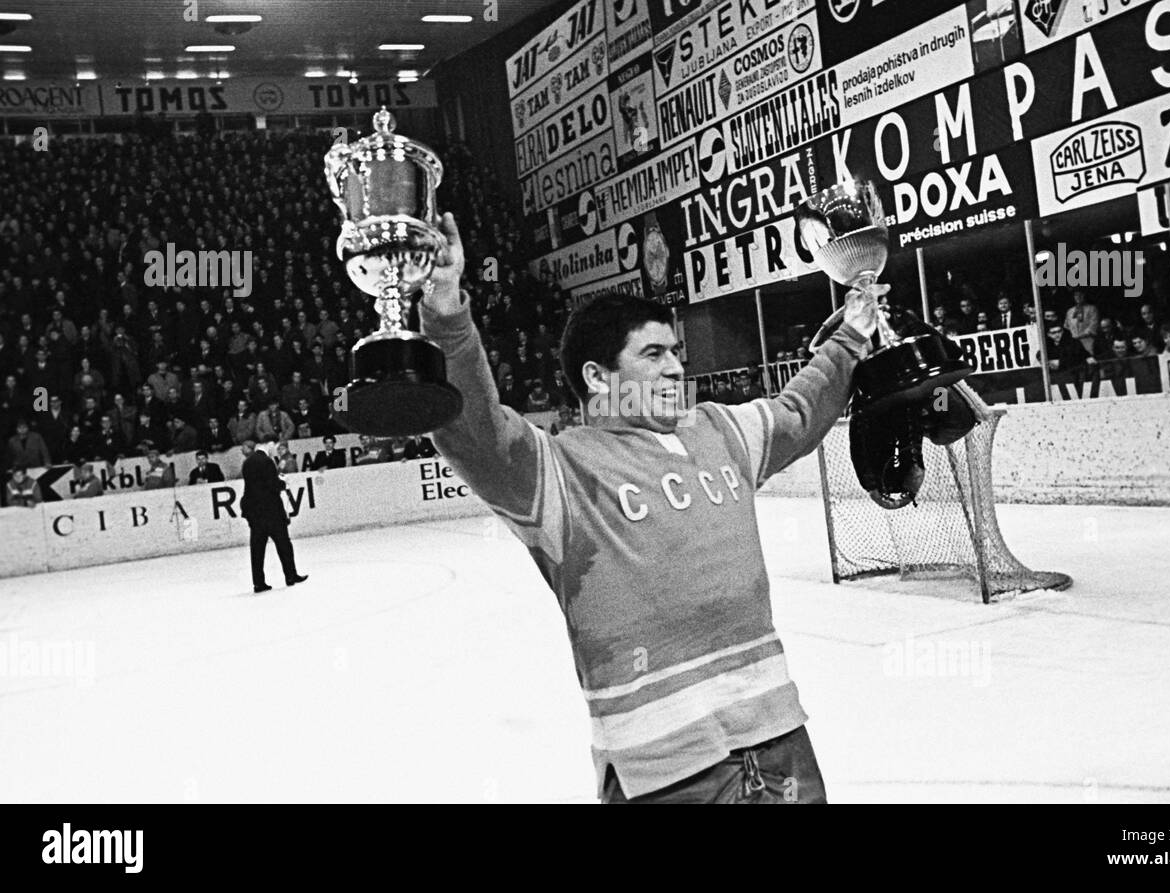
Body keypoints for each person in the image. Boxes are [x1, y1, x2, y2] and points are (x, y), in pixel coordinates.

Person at [416, 212, 888, 804]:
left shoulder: (716, 428)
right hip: (663, 771)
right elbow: (473, 430)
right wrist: (445, 312)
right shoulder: (563, 470)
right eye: (653, 354)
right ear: (597, 376)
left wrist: (850, 334)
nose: (674, 367)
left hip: (778, 740)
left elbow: (798, 410)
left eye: (676, 352)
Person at [239, 438, 307, 594]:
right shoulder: (267, 462)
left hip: (254, 512)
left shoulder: (247, 463)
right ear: (267, 449)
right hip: (271, 511)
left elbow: (253, 486)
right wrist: (282, 483)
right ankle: (290, 576)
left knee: (257, 549)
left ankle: (258, 582)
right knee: (283, 544)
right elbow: (272, 485)